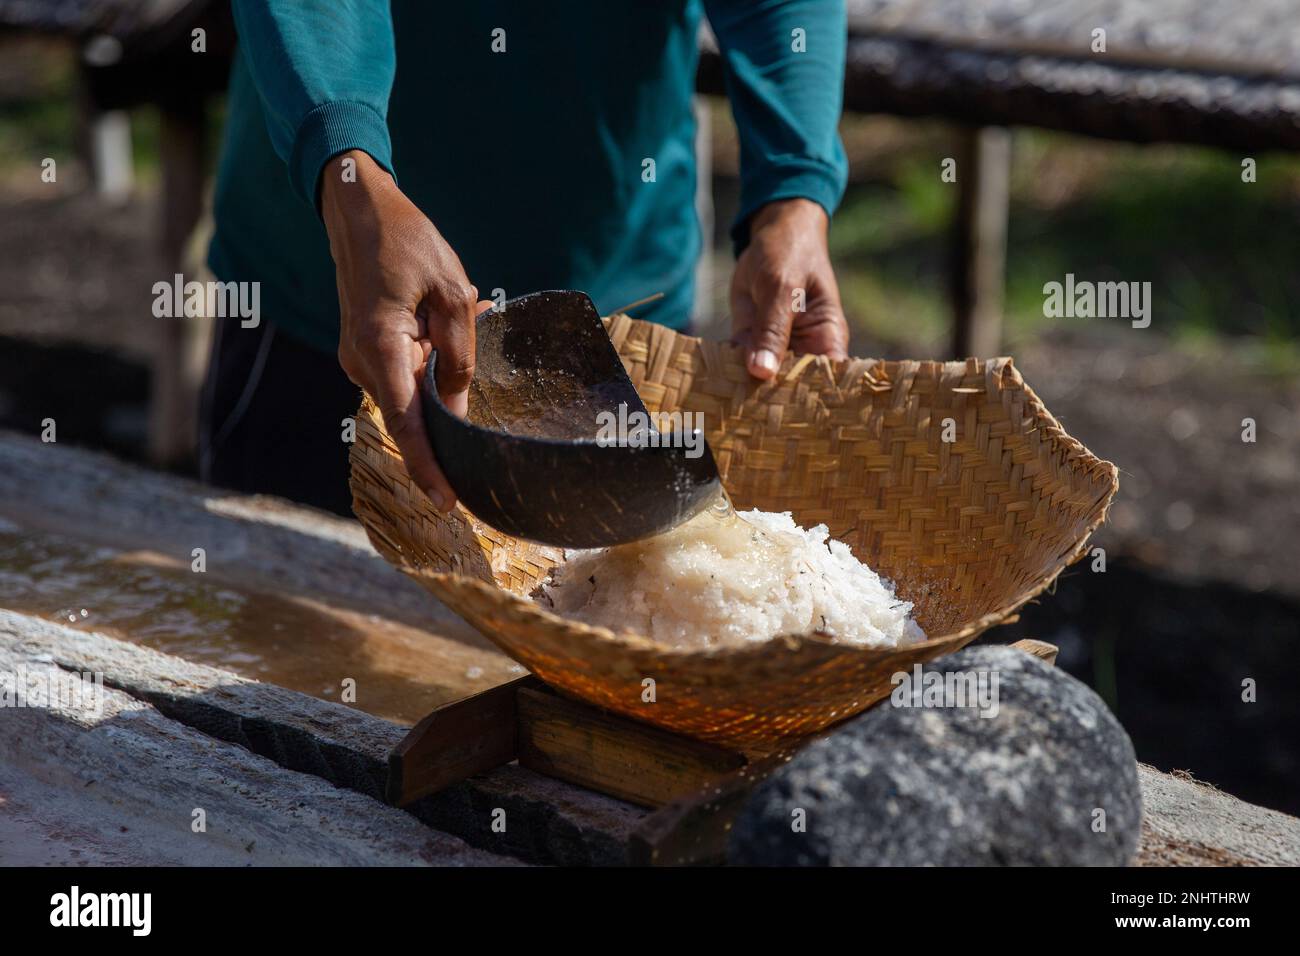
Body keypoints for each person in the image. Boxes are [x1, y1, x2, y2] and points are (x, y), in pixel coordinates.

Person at [200, 1, 850, 516]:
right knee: (274, 651)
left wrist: (794, 189)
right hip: (334, 293)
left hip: (614, 325)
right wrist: (348, 172)